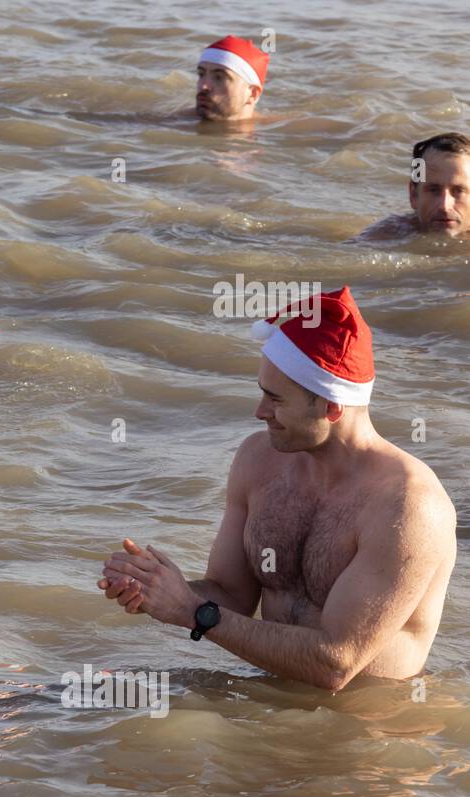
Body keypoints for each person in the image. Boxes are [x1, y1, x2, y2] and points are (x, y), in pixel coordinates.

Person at [97, 288, 456, 690]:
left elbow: (335, 664)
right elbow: (230, 594)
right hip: (270, 697)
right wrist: (159, 590)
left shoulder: (408, 507)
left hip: (362, 730)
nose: (259, 411)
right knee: (97, 700)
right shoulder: (259, 460)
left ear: (331, 408)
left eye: (274, 399)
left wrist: (192, 610)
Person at [360, 133, 470, 240]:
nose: (445, 206)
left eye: (459, 191)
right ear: (414, 195)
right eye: (434, 190)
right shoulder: (389, 234)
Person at [193, 35, 268, 124]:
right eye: (201, 74)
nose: (203, 86)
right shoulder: (175, 121)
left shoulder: (275, 131)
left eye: (218, 77)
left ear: (253, 93)